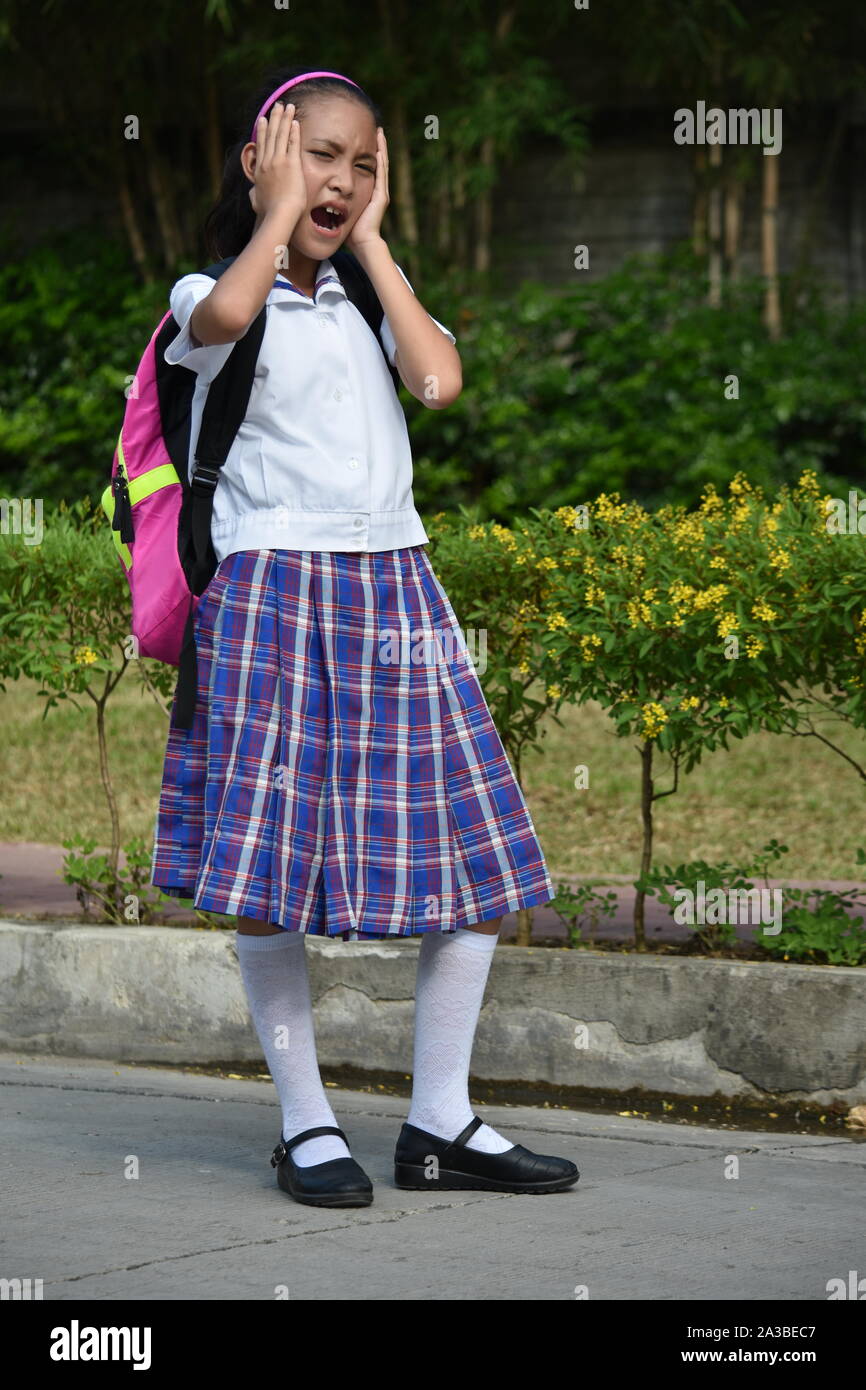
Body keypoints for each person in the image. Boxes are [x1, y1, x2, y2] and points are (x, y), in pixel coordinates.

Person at [150, 66, 578, 1207]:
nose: (340, 177)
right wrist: (281, 216)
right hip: (272, 594)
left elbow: (437, 379)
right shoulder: (208, 289)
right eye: (316, 152)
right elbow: (226, 315)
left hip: (397, 590)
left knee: (475, 855)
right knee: (270, 873)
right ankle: (306, 1126)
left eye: (363, 162)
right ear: (258, 157)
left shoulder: (359, 302)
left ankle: (438, 1121)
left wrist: (372, 250)